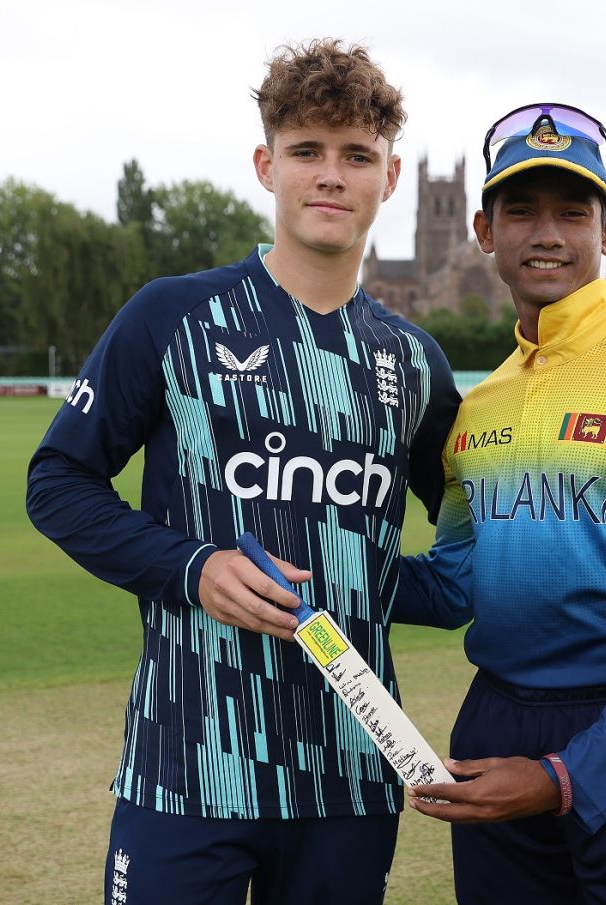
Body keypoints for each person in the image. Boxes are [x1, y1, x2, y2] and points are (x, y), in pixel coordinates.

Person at [26, 39, 459, 905]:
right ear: (268, 166)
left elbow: (465, 554)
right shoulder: (173, 316)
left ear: (392, 176)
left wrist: (371, 582)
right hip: (188, 766)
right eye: (307, 151)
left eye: (356, 156)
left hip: (349, 780)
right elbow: (57, 482)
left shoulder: (416, 363)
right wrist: (193, 567)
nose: (331, 175)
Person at [395, 103, 606, 904]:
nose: (545, 232)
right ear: (483, 231)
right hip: (495, 729)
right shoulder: (478, 407)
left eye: (572, 211)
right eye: (520, 209)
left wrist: (564, 775)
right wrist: (332, 572)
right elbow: (454, 584)